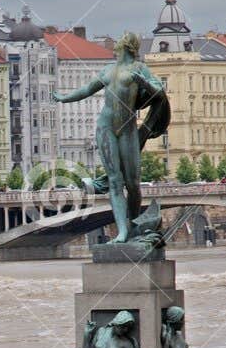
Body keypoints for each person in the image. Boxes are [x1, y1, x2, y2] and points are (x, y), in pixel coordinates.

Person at [53, 33, 170, 243]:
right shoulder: (108, 70)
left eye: (119, 43)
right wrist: (64, 98)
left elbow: (159, 93)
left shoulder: (139, 68)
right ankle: (122, 232)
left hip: (127, 129)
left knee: (133, 184)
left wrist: (143, 82)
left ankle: (133, 225)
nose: (115, 47)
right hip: (106, 128)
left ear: (126, 46)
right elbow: (87, 89)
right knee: (115, 181)